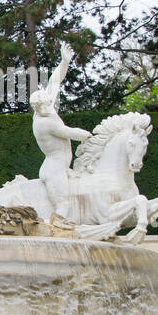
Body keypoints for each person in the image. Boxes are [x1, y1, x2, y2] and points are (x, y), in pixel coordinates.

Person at [30, 43, 91, 219]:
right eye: (44, 106)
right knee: (63, 205)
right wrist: (87, 135)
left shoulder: (47, 106)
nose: (50, 106)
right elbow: (69, 132)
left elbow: (54, 80)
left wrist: (64, 62)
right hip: (54, 169)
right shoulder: (43, 123)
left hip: (62, 167)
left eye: (49, 103)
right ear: (37, 109)